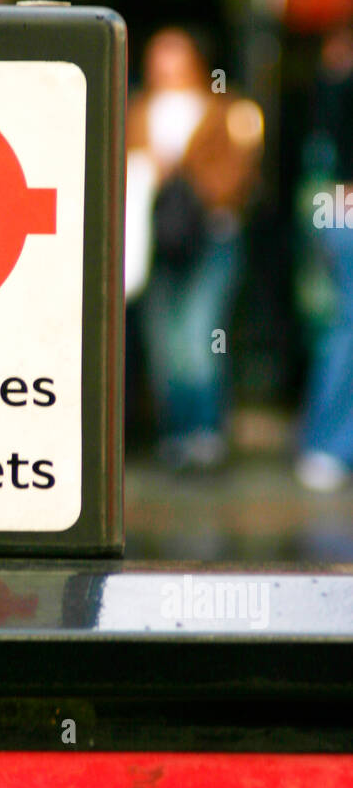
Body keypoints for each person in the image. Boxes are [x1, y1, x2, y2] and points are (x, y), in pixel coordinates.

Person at [126, 28, 263, 468]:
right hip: (155, 241)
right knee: (164, 340)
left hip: (210, 238)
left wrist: (196, 190)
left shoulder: (225, 108)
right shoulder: (136, 110)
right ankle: (176, 431)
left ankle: (205, 429)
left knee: (200, 335)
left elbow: (242, 171)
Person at [295, 22, 353, 491]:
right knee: (344, 328)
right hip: (342, 208)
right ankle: (328, 445)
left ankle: (329, 445)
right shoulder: (334, 88)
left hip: (337, 208)